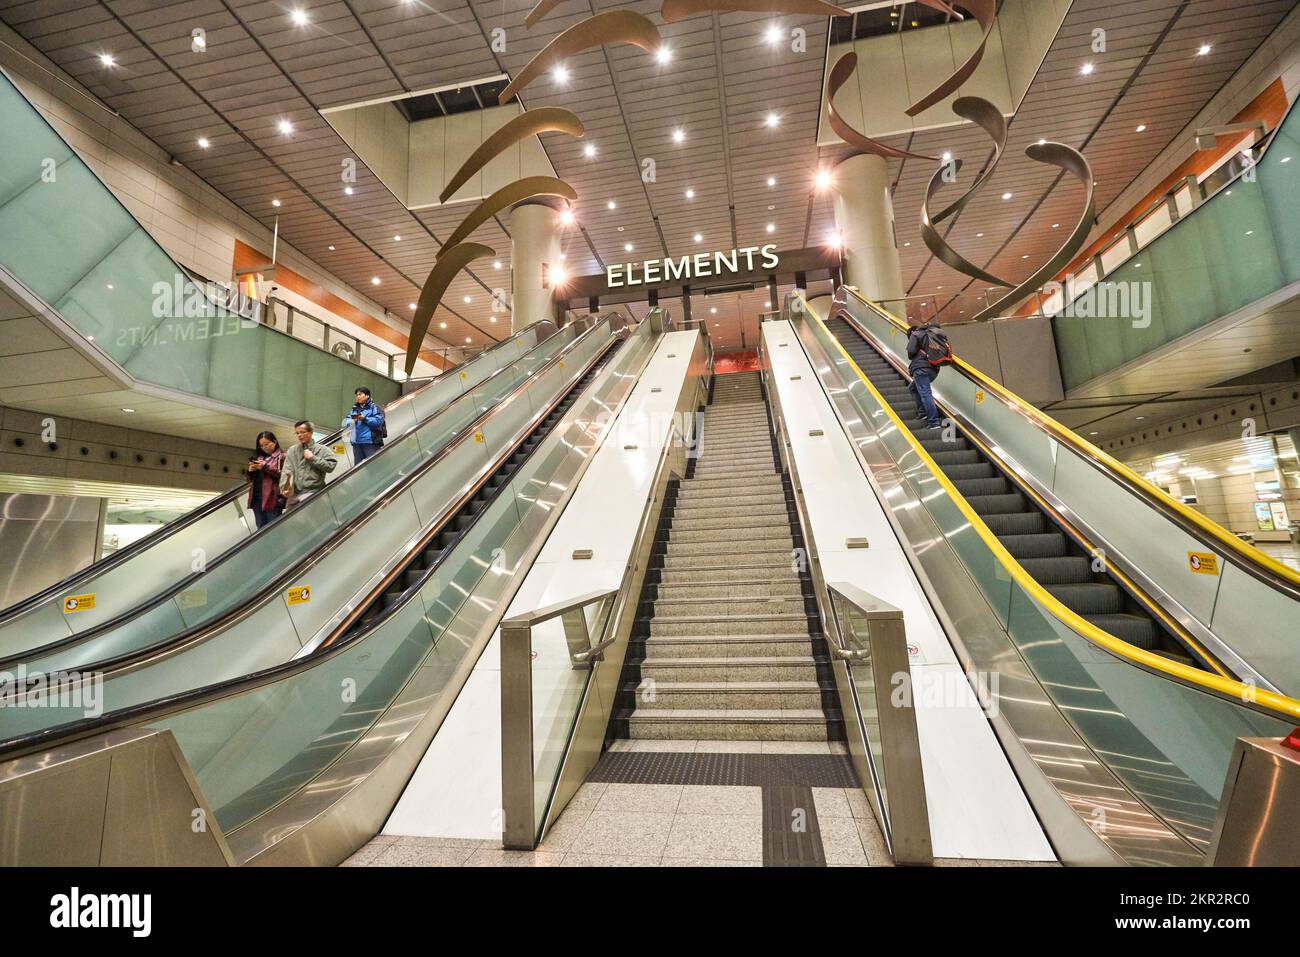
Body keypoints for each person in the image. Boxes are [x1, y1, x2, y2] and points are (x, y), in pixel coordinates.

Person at [280, 420, 338, 508]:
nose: (299, 435)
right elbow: (286, 471)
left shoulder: (322, 449)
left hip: (313, 492)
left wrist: (312, 458)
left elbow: (330, 467)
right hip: (294, 495)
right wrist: (285, 488)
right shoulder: (292, 450)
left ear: (311, 432)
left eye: (303, 432)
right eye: (297, 433)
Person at [907, 319, 950, 430]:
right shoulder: (934, 334)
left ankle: (934, 423)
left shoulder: (915, 334)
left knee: (925, 393)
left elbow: (910, 353)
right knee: (913, 388)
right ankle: (923, 412)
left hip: (921, 368)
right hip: (934, 369)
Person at [245, 431, 286, 528]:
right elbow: (250, 480)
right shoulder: (260, 457)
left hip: (272, 498)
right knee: (260, 527)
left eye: (267, 444)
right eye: (262, 446)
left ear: (275, 442)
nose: (264, 447)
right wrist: (250, 471)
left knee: (273, 527)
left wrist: (265, 467)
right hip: (256, 497)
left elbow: (284, 475)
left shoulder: (282, 456)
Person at [344, 386, 386, 463]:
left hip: (371, 442)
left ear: (367, 396)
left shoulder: (375, 407)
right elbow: (346, 422)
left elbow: (379, 421)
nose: (358, 397)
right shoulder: (354, 409)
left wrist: (365, 419)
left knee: (373, 465)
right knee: (357, 468)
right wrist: (352, 421)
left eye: (360, 394)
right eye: (356, 395)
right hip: (356, 442)